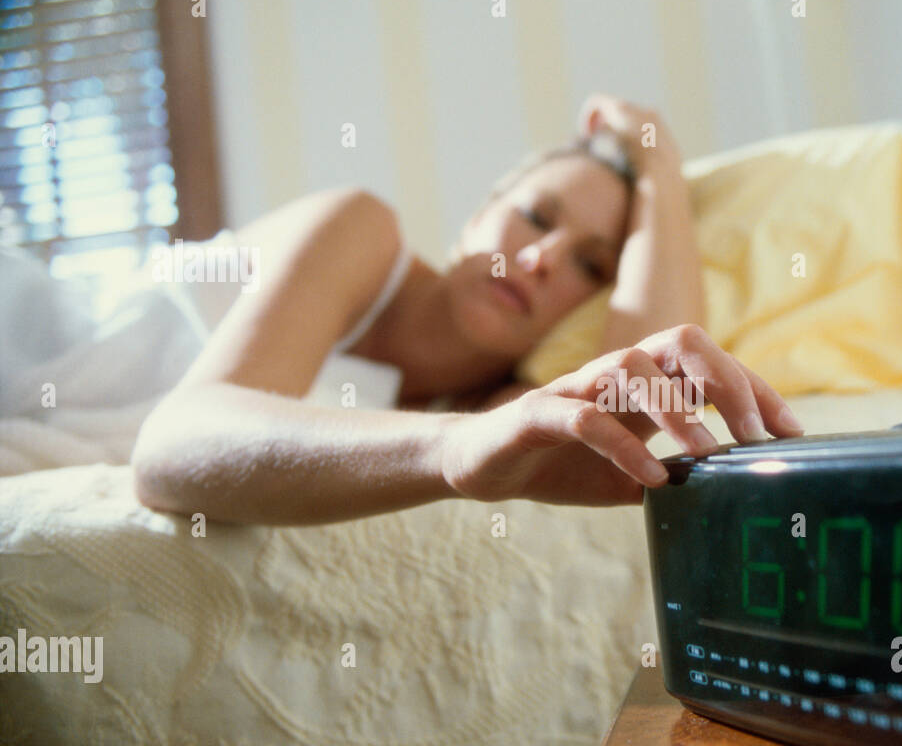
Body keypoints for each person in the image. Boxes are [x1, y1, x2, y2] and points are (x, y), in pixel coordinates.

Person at [131, 94, 805, 526]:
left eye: (590, 266)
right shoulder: (362, 231)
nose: (542, 258)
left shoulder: (503, 407)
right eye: (536, 216)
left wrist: (660, 170)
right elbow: (172, 444)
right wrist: (450, 450)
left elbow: (645, 395)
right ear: (479, 213)